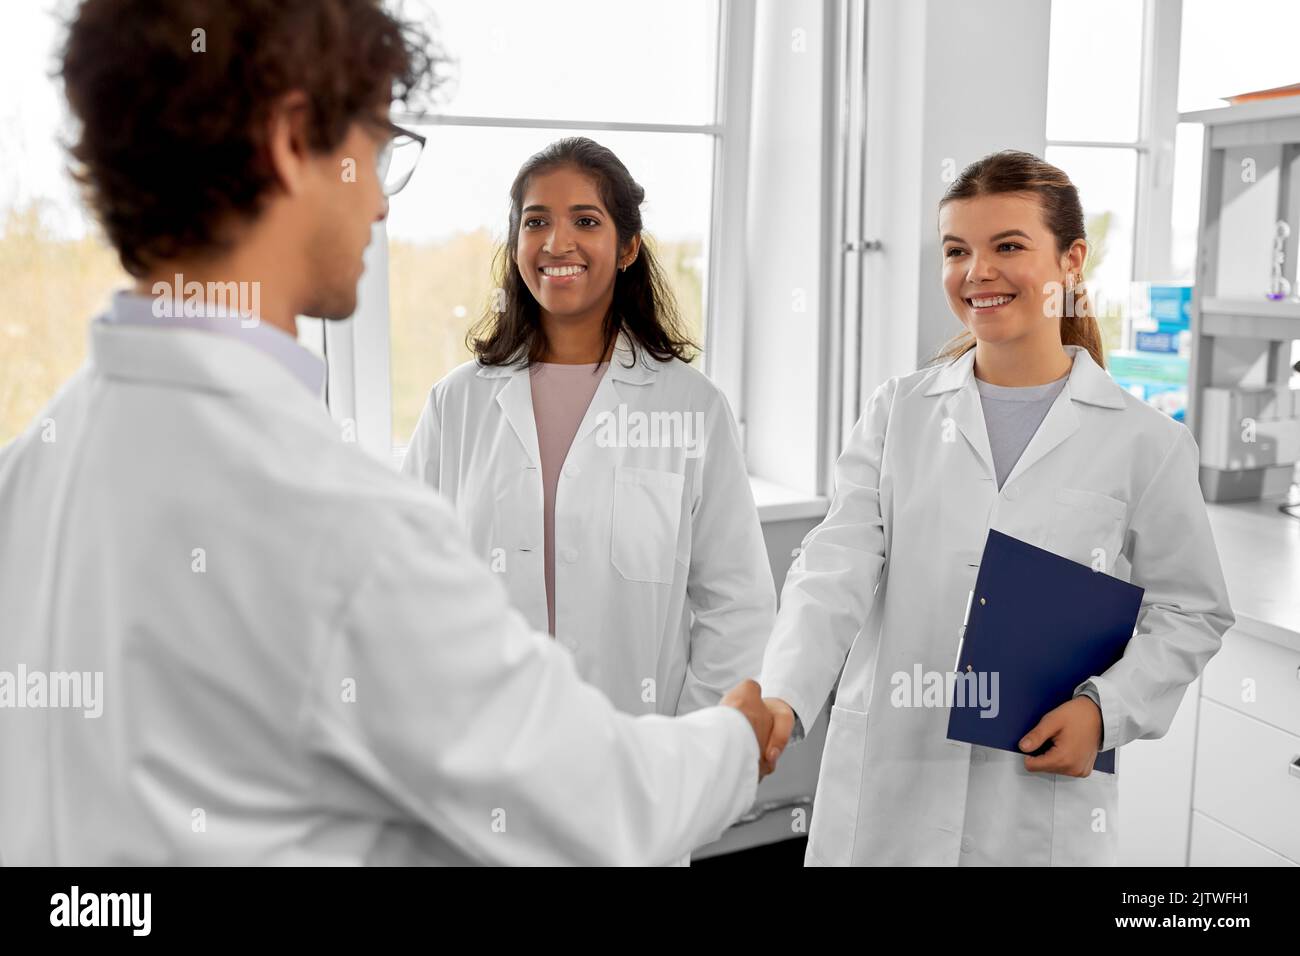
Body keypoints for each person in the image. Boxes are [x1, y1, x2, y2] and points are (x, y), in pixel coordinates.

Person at [0, 0, 772, 866]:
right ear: (297, 144)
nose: (375, 201)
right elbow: (602, 805)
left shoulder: (28, 469)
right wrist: (734, 739)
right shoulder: (335, 517)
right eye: (374, 148)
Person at [757, 150, 1234, 866]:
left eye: (1008, 246)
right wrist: (785, 694)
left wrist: (1104, 711)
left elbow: (1191, 610)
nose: (977, 271)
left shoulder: (1146, 442)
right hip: (892, 783)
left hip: (1034, 799)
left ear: (1072, 261)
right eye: (957, 250)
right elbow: (835, 566)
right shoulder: (900, 413)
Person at [402, 137, 775, 721]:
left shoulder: (690, 406)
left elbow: (739, 603)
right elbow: (410, 581)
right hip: (487, 744)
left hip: (637, 753)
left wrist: (688, 751)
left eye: (585, 220)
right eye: (536, 221)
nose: (557, 242)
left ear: (627, 247)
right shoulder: (458, 403)